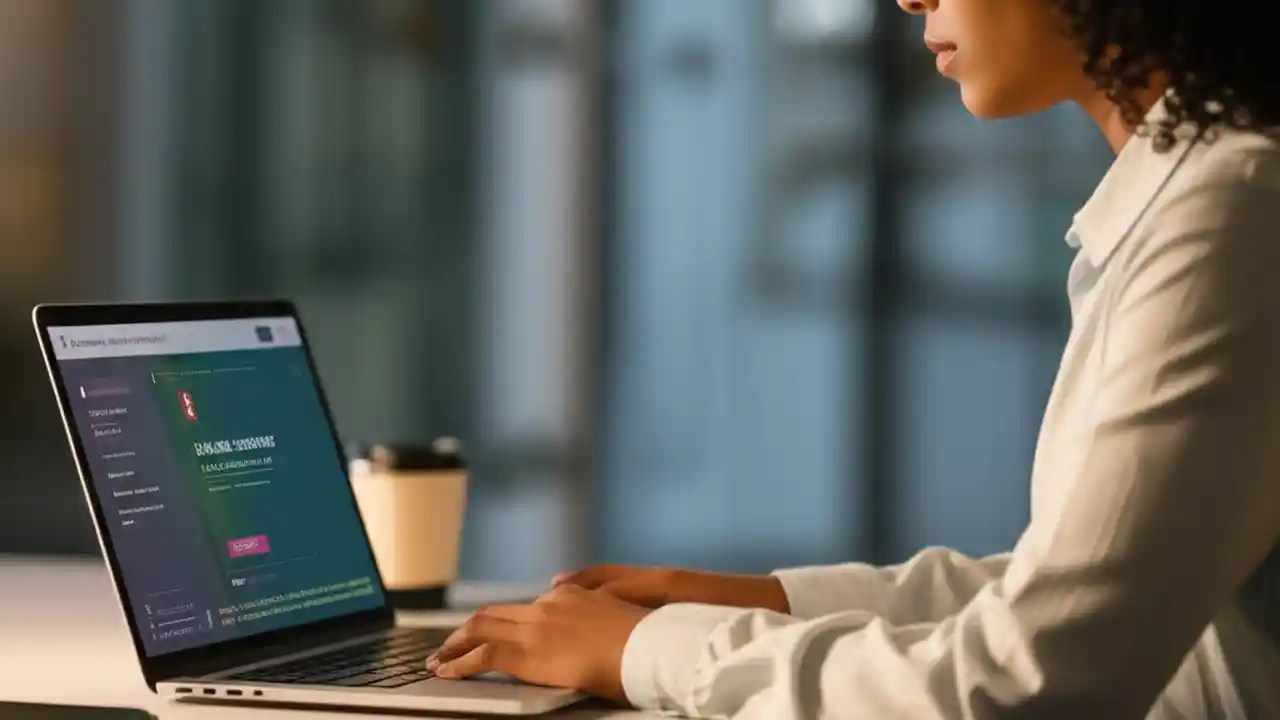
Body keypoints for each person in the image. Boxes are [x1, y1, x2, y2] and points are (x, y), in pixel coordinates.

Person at [426, 0, 1280, 716]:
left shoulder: (1230, 212)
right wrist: (758, 602)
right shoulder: (1202, 195)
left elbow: (1036, 680)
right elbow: (1084, 592)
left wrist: (650, 653)